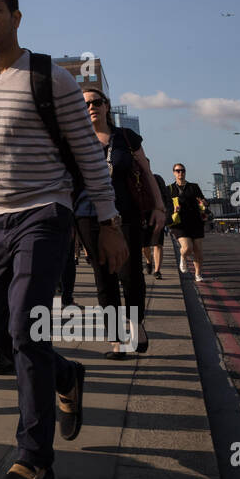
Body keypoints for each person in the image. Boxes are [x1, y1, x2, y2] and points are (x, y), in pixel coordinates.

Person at [0, 0, 126, 479]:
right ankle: (67, 375)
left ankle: (34, 457)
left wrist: (110, 221)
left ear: (17, 17)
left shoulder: (52, 78)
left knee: (27, 328)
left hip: (45, 212)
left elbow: (90, 155)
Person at [75, 88, 165, 359]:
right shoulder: (74, 140)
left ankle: (135, 326)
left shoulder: (125, 138)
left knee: (129, 274)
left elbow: (147, 172)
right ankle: (116, 339)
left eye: (96, 102)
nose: (91, 107)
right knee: (104, 277)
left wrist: (159, 207)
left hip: (125, 214)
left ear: (106, 106)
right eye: (85, 104)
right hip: (87, 215)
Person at [168, 164, 208, 281]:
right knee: (187, 248)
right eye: (178, 171)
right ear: (174, 173)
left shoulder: (194, 187)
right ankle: (183, 257)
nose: (180, 173)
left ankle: (198, 274)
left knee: (198, 249)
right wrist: (173, 210)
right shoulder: (169, 189)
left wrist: (204, 202)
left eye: (182, 171)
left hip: (195, 221)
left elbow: (203, 200)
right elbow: (166, 205)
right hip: (179, 223)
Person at [142, 173, 169, 280]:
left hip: (158, 214)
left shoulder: (157, 178)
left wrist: (165, 211)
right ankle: (149, 261)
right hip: (143, 216)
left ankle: (157, 270)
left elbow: (166, 195)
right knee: (144, 246)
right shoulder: (135, 179)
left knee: (158, 244)